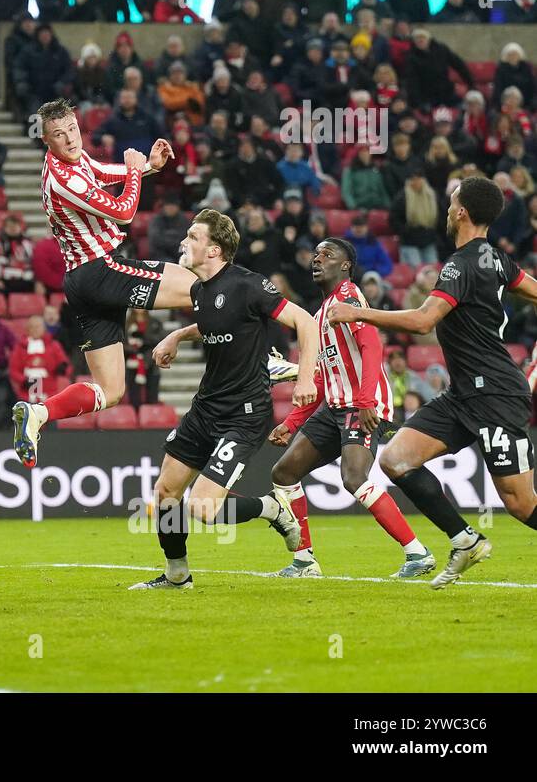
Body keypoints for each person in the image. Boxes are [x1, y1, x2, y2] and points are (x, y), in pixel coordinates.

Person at [328, 177, 537, 587]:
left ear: (461, 212)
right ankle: (465, 539)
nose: (446, 209)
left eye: (451, 202)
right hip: (463, 394)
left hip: (495, 394)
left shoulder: (460, 264)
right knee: (395, 459)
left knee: (519, 502)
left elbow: (423, 321)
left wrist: (360, 314)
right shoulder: (495, 258)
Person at [131, 210, 319, 590]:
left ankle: (271, 508)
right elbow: (217, 322)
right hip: (206, 408)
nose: (185, 242)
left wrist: (303, 377)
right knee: (166, 492)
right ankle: (177, 575)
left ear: (214, 249)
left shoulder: (249, 285)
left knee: (202, 509)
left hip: (244, 413)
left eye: (193, 237)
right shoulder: (200, 290)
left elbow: (306, 322)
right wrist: (177, 337)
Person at [9, 99, 192, 468]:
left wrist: (147, 169)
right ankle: (252, 362)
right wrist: (136, 172)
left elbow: (103, 173)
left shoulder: (73, 163)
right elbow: (124, 211)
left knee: (111, 391)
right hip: (101, 269)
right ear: (46, 141)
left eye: (73, 130)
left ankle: (39, 415)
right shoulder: (63, 179)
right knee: (196, 286)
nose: (70, 139)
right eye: (59, 135)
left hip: (83, 283)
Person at [267, 238, 434, 578]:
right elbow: (320, 378)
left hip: (363, 405)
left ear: (344, 265)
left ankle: (417, 553)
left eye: (327, 254)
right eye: (315, 254)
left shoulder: (348, 295)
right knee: (283, 474)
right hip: (334, 406)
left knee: (354, 477)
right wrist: (293, 421)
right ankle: (304, 561)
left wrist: (365, 402)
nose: (317, 258)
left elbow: (371, 344)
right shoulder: (318, 316)